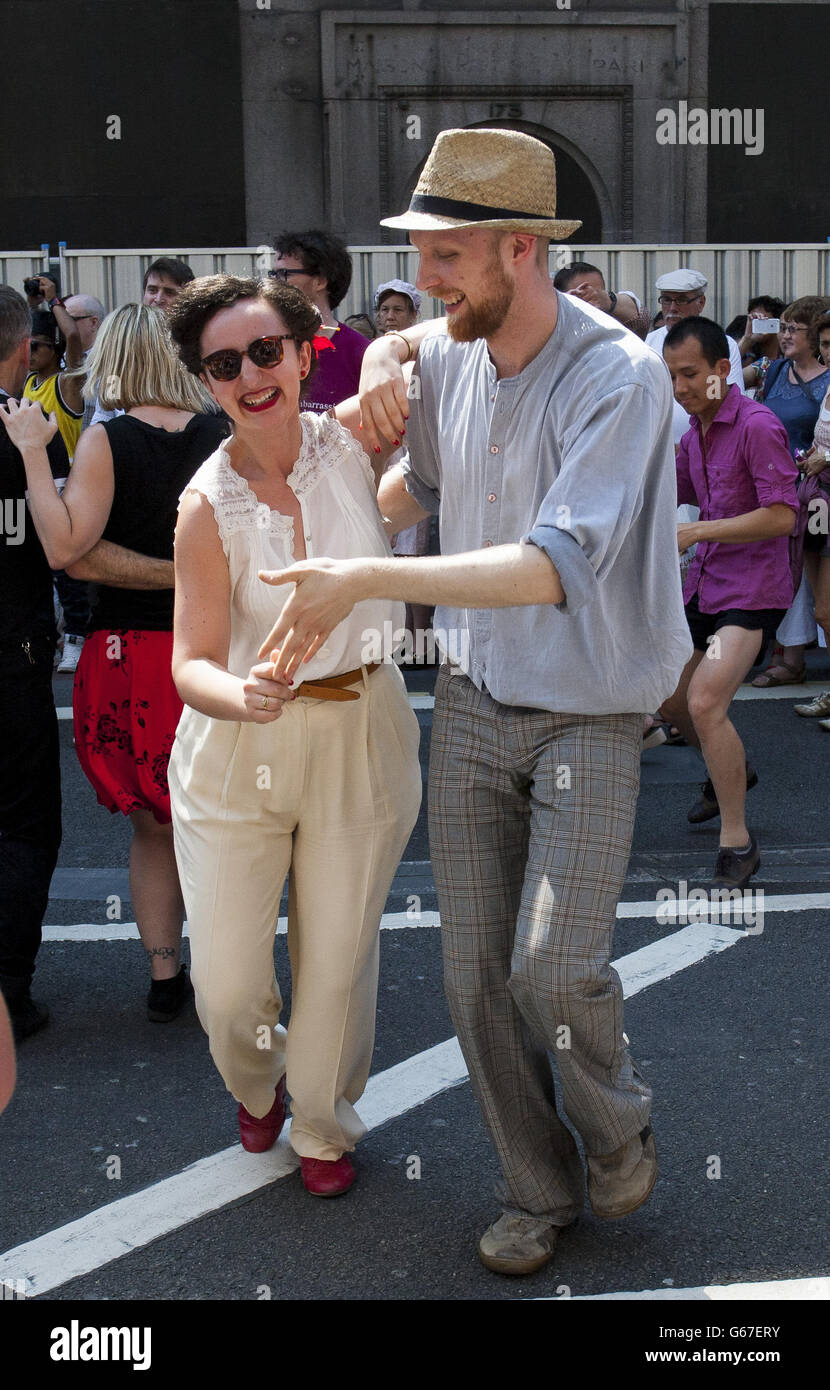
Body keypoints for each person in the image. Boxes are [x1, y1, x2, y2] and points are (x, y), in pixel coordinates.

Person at [255, 127, 692, 1270]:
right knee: (471, 979)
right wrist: (322, 518)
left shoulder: (619, 378)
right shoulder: (443, 356)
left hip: (589, 707)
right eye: (421, 253)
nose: (422, 279)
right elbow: (416, 487)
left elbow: (548, 566)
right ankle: (534, 1189)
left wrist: (365, 575)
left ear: (520, 248)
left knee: (549, 969)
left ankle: (614, 1121)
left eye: (444, 255)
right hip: (473, 697)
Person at [165, 274, 421, 1196]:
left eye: (266, 350)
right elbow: (189, 661)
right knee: (228, 988)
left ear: (306, 352)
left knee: (340, 955)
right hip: (239, 749)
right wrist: (243, 694)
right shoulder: (207, 504)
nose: (250, 374)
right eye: (225, 363)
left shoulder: (351, 440)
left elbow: (460, 342)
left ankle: (321, 1125)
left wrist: (390, 348)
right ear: (209, 382)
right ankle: (257, 1082)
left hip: (364, 727)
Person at [1, 304, 228, 1023]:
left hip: (129, 655)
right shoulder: (223, 434)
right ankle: (231, 972)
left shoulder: (106, 439)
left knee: (152, 825)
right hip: (216, 645)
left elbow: (67, 547)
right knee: (224, 820)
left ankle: (166, 977)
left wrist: (39, 456)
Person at [659, 318, 798, 886]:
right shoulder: (695, 433)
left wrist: (698, 533)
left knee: (705, 702)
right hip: (707, 583)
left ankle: (737, 839)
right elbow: (669, 489)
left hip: (754, 587)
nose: (680, 387)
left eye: (689, 374)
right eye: (671, 376)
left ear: (723, 370)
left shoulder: (757, 425)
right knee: (669, 699)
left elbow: (782, 515)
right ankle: (729, 769)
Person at [0, 286, 66, 1043]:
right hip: (13, 648)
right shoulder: (30, 432)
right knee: (23, 825)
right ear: (25, 352)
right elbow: (63, 545)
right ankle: (9, 988)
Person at [750, 295, 830, 687]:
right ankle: (790, 657)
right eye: (781, 328)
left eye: (792, 329)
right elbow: (725, 381)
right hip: (779, 487)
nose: (783, 336)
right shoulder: (774, 369)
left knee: (820, 583)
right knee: (788, 570)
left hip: (820, 492)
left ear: (815, 335)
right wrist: (749, 339)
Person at [271, 230, 368, 412]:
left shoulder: (360, 352)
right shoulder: (267, 347)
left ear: (320, 281)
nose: (274, 283)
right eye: (273, 274)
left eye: (284, 274)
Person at [645, 269, 745, 446]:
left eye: (682, 300)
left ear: (701, 302)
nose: (673, 308)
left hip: (707, 446)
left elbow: (720, 398)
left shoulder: (722, 343)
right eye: (666, 299)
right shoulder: (647, 342)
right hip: (656, 449)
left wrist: (696, 443)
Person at [791, 312, 830, 725]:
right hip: (817, 500)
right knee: (822, 609)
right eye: (826, 344)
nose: (829, 352)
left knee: (827, 611)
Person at [552, 261, 651, 339]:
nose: (592, 301)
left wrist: (608, 301)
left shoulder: (615, 328)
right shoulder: (550, 329)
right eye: (582, 294)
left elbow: (641, 319)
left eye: (597, 294)